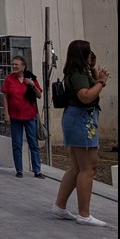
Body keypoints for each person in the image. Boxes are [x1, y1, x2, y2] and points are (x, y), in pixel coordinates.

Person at [47, 39, 112, 227]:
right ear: (83, 54)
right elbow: (85, 96)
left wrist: (92, 70)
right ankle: (84, 214)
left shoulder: (77, 71)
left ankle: (60, 206)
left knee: (77, 167)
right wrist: (101, 81)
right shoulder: (77, 74)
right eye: (88, 52)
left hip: (77, 120)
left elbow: (87, 85)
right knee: (88, 168)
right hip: (81, 120)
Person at [4, 55, 44, 178]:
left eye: (17, 64)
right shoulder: (9, 79)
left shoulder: (31, 78)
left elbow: (39, 95)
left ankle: (37, 170)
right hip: (15, 116)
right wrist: (6, 114)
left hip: (30, 116)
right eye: (13, 64)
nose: (14, 66)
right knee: (17, 143)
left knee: (33, 144)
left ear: (23, 66)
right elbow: (5, 97)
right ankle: (19, 170)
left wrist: (32, 84)